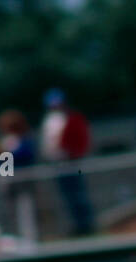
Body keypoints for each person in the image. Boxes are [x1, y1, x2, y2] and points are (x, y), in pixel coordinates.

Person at [40, 88, 94, 236]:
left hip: (72, 162)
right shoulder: (49, 121)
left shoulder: (71, 118)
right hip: (57, 163)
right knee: (67, 196)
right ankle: (76, 224)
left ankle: (85, 224)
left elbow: (78, 139)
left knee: (77, 193)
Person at [0, 109, 38, 245]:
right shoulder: (6, 141)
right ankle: (14, 241)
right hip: (7, 180)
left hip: (22, 179)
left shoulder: (24, 139)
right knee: (10, 213)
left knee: (26, 210)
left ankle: (29, 241)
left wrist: (2, 153)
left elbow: (22, 156)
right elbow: (0, 160)